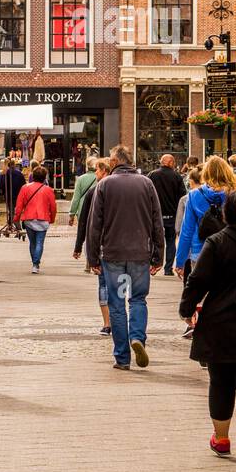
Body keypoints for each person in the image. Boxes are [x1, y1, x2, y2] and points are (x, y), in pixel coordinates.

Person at [179, 190, 236, 463]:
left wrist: (186, 308)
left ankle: (221, 439)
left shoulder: (218, 242)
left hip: (219, 319)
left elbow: (199, 279)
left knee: (220, 381)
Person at [86, 144, 165, 370]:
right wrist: (159, 255)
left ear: (114, 162)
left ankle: (122, 357)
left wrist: (93, 258)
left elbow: (95, 225)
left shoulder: (105, 185)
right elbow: (157, 222)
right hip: (140, 254)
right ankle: (137, 337)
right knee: (138, 299)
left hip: (113, 256)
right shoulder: (146, 184)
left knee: (117, 303)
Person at [175, 155, 236, 279]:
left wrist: (180, 261)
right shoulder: (235, 195)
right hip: (229, 251)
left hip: (200, 252)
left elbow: (187, 231)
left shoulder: (194, 196)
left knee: (200, 293)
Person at [74, 158, 112, 333]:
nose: (95, 174)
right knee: (121, 285)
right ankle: (119, 319)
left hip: (102, 246)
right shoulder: (125, 190)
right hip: (124, 246)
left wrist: (79, 246)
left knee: (104, 284)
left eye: (96, 170)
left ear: (104, 171)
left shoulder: (94, 192)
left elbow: (84, 222)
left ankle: (108, 323)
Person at [148, 153, 187, 276]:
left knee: (154, 241)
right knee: (170, 241)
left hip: (155, 214)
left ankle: (153, 265)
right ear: (171, 163)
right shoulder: (177, 177)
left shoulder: (152, 175)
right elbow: (182, 197)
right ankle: (168, 269)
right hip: (172, 215)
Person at [14, 165, 58, 272]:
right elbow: (53, 207)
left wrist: (16, 218)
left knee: (32, 242)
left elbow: (19, 205)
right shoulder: (48, 190)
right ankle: (36, 264)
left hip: (29, 218)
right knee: (39, 242)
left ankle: (34, 262)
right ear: (44, 177)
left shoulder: (25, 188)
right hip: (43, 218)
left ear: (33, 176)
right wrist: (52, 218)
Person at [176, 167, 203, 301]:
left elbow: (183, 231)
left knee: (196, 290)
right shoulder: (226, 194)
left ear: (191, 181)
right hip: (222, 251)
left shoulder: (188, 198)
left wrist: (180, 261)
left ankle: (194, 318)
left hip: (196, 251)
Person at [69, 156, 98, 228]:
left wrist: (72, 214)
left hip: (82, 210)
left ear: (87, 167)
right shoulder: (101, 178)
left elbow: (76, 198)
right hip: (96, 210)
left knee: (83, 233)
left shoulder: (80, 179)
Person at [1, 156, 27, 231]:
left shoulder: (5, 173)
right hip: (18, 195)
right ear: (14, 165)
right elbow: (23, 185)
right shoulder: (19, 173)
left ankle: (12, 225)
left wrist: (4, 192)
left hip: (8, 195)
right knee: (16, 211)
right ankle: (15, 225)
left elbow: (2, 184)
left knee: (11, 211)